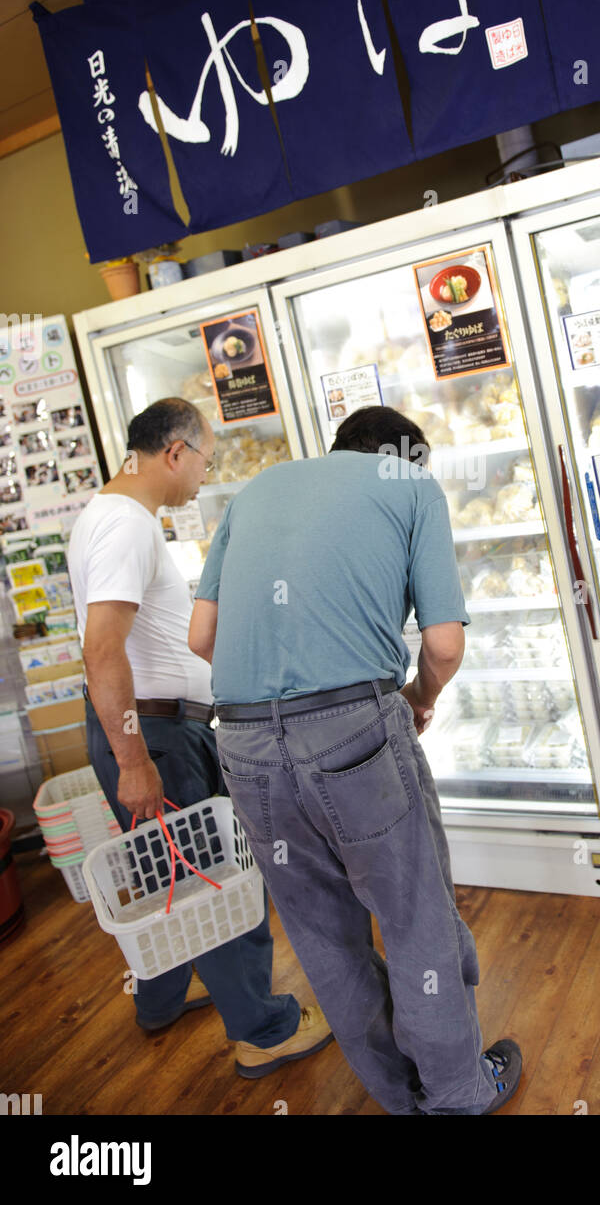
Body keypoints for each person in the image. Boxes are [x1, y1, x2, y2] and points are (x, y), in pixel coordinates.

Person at [188, 405, 521, 1115]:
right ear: (407, 456)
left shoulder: (253, 492)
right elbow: (444, 646)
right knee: (414, 918)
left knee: (321, 934)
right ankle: (459, 1093)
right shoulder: (412, 485)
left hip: (242, 741)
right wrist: (418, 699)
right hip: (353, 733)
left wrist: (278, 688)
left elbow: (200, 635)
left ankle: (400, 1097)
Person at [68, 397, 332, 1074]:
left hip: (153, 730)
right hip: (154, 735)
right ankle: (263, 1031)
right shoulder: (127, 527)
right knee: (217, 879)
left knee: (165, 875)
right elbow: (102, 649)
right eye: (204, 461)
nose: (202, 478)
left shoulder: (109, 516)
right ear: (175, 451)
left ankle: (160, 997)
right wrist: (132, 758)